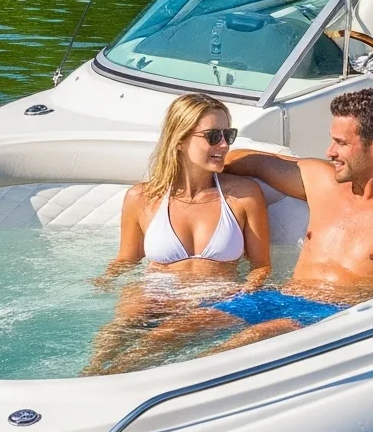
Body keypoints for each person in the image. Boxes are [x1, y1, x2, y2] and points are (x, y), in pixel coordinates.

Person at [87, 93, 270, 374]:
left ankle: (109, 381)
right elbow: (127, 258)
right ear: (181, 139)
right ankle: (89, 374)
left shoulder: (243, 196)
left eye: (227, 134)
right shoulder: (142, 198)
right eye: (212, 136)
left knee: (156, 343)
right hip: (158, 292)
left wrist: (245, 293)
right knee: (120, 329)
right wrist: (101, 282)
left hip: (217, 295)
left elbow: (261, 265)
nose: (223, 144)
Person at [226, 87, 373, 291]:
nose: (330, 152)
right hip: (280, 299)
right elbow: (250, 161)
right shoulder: (322, 180)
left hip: (334, 322)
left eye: (341, 143)